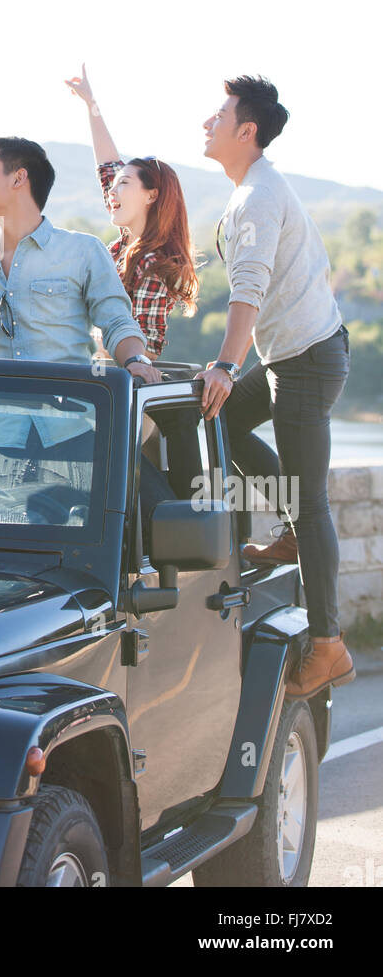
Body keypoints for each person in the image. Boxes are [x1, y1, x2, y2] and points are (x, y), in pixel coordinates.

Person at [199, 75, 352, 698]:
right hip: (294, 355)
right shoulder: (252, 190)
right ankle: (289, 528)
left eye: (218, 115)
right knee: (222, 422)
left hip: (306, 360)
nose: (207, 122)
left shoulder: (258, 196)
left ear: (246, 131)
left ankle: (329, 645)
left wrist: (225, 366)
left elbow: (249, 290)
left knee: (312, 503)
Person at [0, 134, 164, 506]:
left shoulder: (82, 251)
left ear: (19, 178)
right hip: (2, 442)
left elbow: (116, 322)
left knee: (86, 534)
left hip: (75, 438)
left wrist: (136, 361)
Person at [64, 64, 202, 499]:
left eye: (124, 184)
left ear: (151, 195)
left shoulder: (157, 262)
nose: (112, 190)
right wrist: (91, 105)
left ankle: (184, 522)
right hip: (103, 386)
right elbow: (107, 165)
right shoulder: (120, 247)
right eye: (113, 185)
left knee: (116, 489)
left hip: (125, 393)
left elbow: (136, 339)